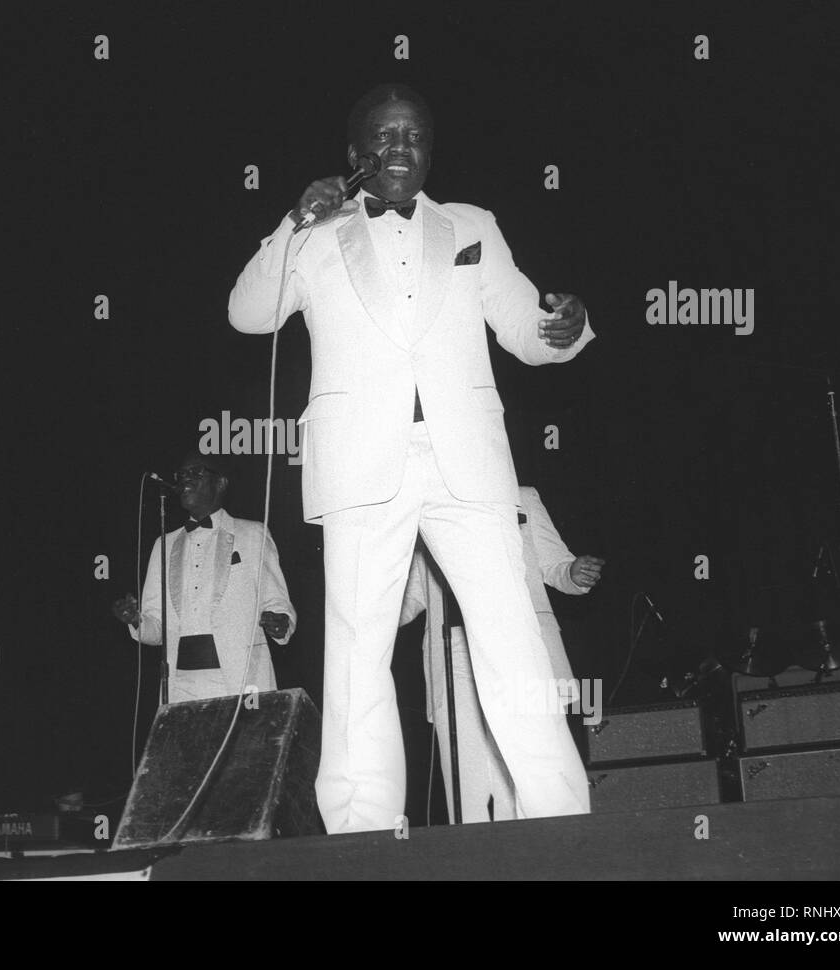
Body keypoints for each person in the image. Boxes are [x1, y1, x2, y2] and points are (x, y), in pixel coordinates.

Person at [229, 83, 596, 833]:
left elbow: (527, 328)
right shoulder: (318, 235)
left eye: (416, 138)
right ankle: (362, 828)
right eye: (385, 137)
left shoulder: (472, 225)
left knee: (513, 640)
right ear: (355, 154)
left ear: (432, 150)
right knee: (358, 651)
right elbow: (246, 313)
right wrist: (294, 219)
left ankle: (561, 818)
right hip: (362, 466)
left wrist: (566, 327)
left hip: (468, 461)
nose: (401, 149)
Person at [399, 486, 606, 822]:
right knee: (467, 779)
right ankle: (474, 860)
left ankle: (537, 856)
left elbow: (556, 565)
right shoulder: (423, 506)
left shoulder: (521, 496)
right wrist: (373, 606)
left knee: (526, 765)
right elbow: (411, 596)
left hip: (517, 641)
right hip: (454, 650)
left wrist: (572, 571)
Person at [112, 452, 296, 701]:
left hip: (241, 679)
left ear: (220, 483)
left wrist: (280, 622)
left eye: (196, 472)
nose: (185, 479)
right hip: (182, 685)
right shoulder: (163, 545)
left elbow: (278, 603)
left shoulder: (252, 534)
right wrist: (135, 620)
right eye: (182, 475)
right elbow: (156, 629)